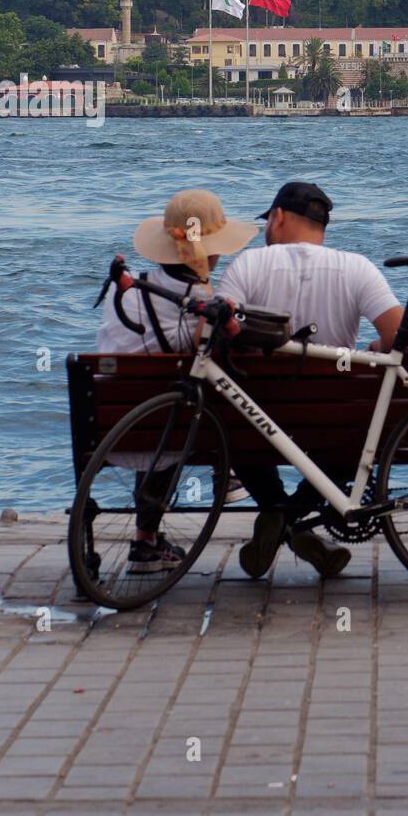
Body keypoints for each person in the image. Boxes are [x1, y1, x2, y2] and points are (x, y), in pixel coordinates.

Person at [217, 180, 406, 582]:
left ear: (279, 217)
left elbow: (215, 334)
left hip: (258, 429)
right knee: (355, 437)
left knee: (232, 417)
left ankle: (276, 512)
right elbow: (400, 337)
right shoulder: (357, 267)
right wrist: (371, 346)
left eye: (268, 220)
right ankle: (293, 523)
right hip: (335, 428)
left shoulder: (247, 265)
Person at [96, 188, 259, 573]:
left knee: (158, 399)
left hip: (114, 424)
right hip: (172, 429)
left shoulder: (129, 288)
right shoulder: (200, 303)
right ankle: (228, 473)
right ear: (210, 250)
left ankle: (146, 540)